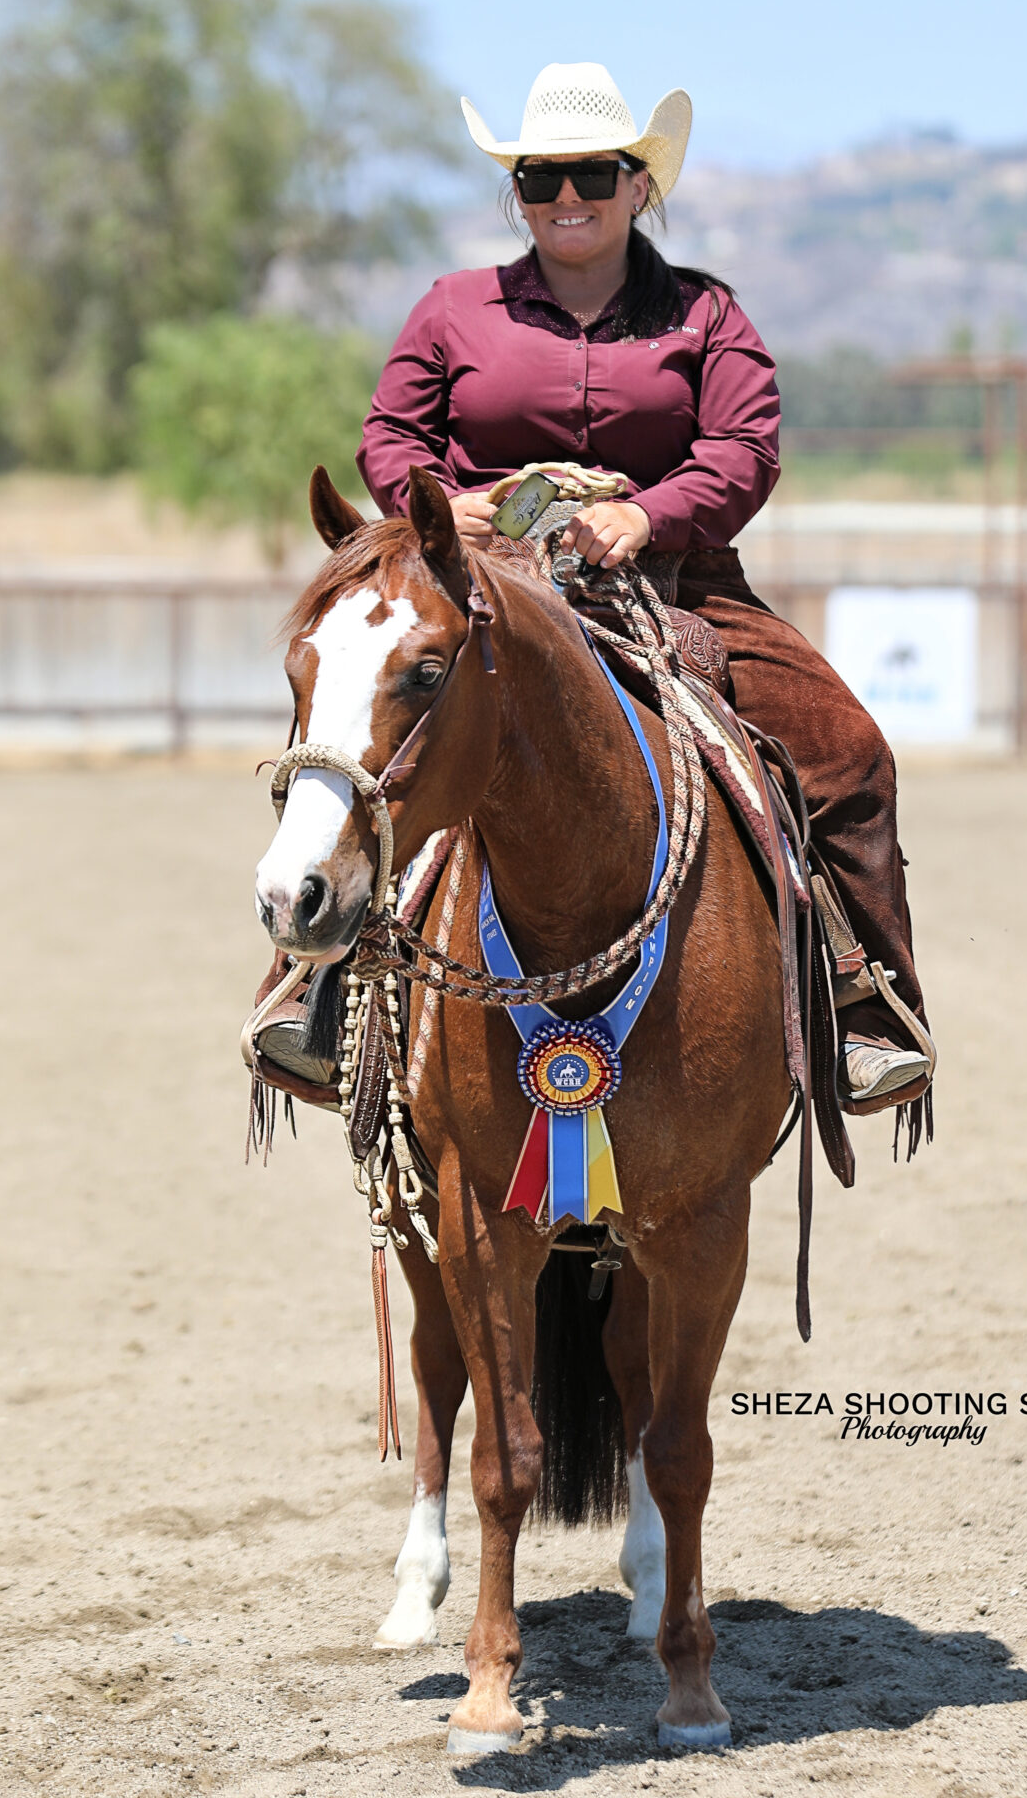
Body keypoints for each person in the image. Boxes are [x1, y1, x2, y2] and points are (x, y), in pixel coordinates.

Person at [357, 63, 932, 1108]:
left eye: (589, 174)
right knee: (360, 737)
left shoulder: (708, 313)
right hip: (481, 584)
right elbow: (389, 436)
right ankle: (310, 995)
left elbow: (744, 449)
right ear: (516, 193)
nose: (565, 199)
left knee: (846, 752)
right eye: (539, 179)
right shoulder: (451, 309)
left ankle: (861, 1005)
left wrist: (646, 513)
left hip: (677, 583)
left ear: (637, 186)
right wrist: (442, 497)